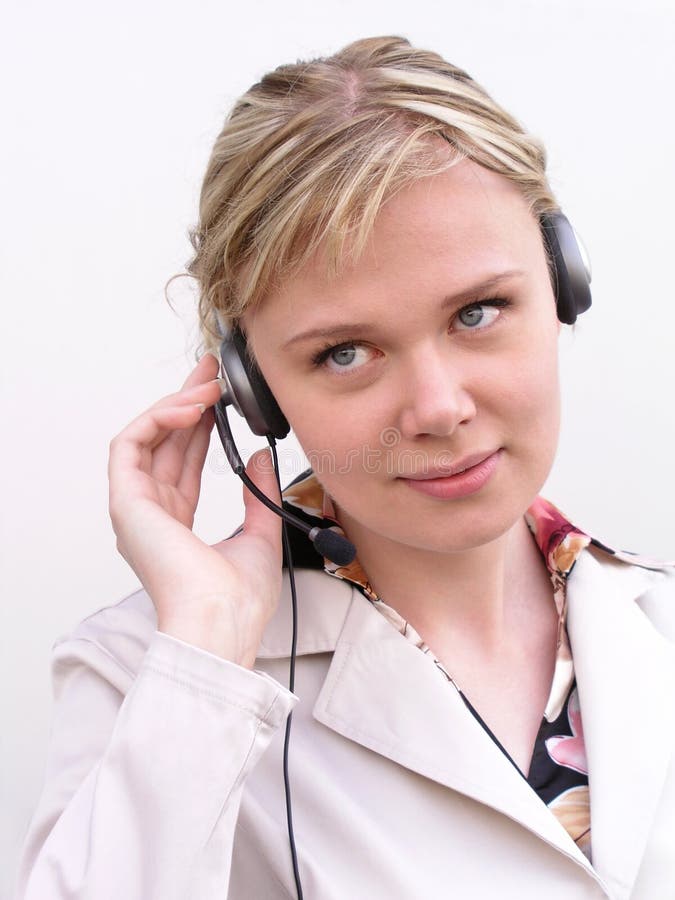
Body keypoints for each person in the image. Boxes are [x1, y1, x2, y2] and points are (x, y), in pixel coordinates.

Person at [16, 36, 675, 900]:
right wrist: (208, 647)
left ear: (562, 281)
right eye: (344, 353)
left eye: (478, 311)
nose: (438, 407)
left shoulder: (657, 621)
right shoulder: (149, 676)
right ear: (252, 389)